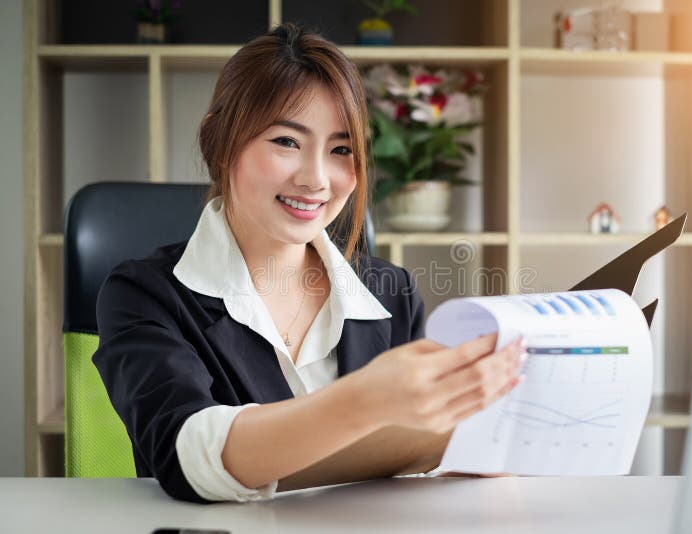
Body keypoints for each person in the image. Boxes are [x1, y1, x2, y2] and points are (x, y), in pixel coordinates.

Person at [93, 23, 525, 504]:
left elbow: (414, 467)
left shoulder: (392, 293)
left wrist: (473, 444)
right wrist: (364, 401)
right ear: (218, 142)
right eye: (286, 141)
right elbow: (184, 456)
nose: (316, 179)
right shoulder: (143, 294)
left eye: (341, 149)